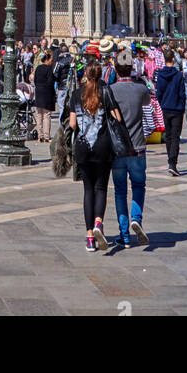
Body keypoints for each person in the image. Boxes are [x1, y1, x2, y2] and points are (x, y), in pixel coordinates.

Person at [68, 61, 121, 253]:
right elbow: (118, 119)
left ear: (86, 75)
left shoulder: (76, 94)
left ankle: (90, 236)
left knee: (88, 191)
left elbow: (73, 125)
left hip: (83, 148)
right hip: (103, 147)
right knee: (101, 188)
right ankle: (99, 222)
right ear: (100, 75)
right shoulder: (105, 92)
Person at [107, 42, 153, 248]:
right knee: (138, 186)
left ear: (115, 69)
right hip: (138, 148)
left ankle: (124, 235)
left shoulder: (110, 91)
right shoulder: (141, 90)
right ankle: (137, 218)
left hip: (117, 150)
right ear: (132, 68)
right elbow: (147, 103)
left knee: (119, 191)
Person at [155, 48, 187, 176]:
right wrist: (182, 106)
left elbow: (158, 93)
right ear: (173, 60)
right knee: (175, 137)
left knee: (168, 136)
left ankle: (170, 162)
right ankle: (173, 163)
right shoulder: (178, 75)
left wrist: (163, 103)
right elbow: (182, 93)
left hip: (166, 108)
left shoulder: (160, 75)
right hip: (177, 109)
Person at [33, 49, 56, 143]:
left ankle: (40, 136)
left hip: (38, 92)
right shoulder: (49, 69)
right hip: (47, 94)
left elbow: (35, 80)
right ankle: (46, 137)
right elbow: (51, 82)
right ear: (47, 60)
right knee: (46, 115)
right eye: (51, 60)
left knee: (39, 115)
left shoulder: (38, 68)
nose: (51, 62)